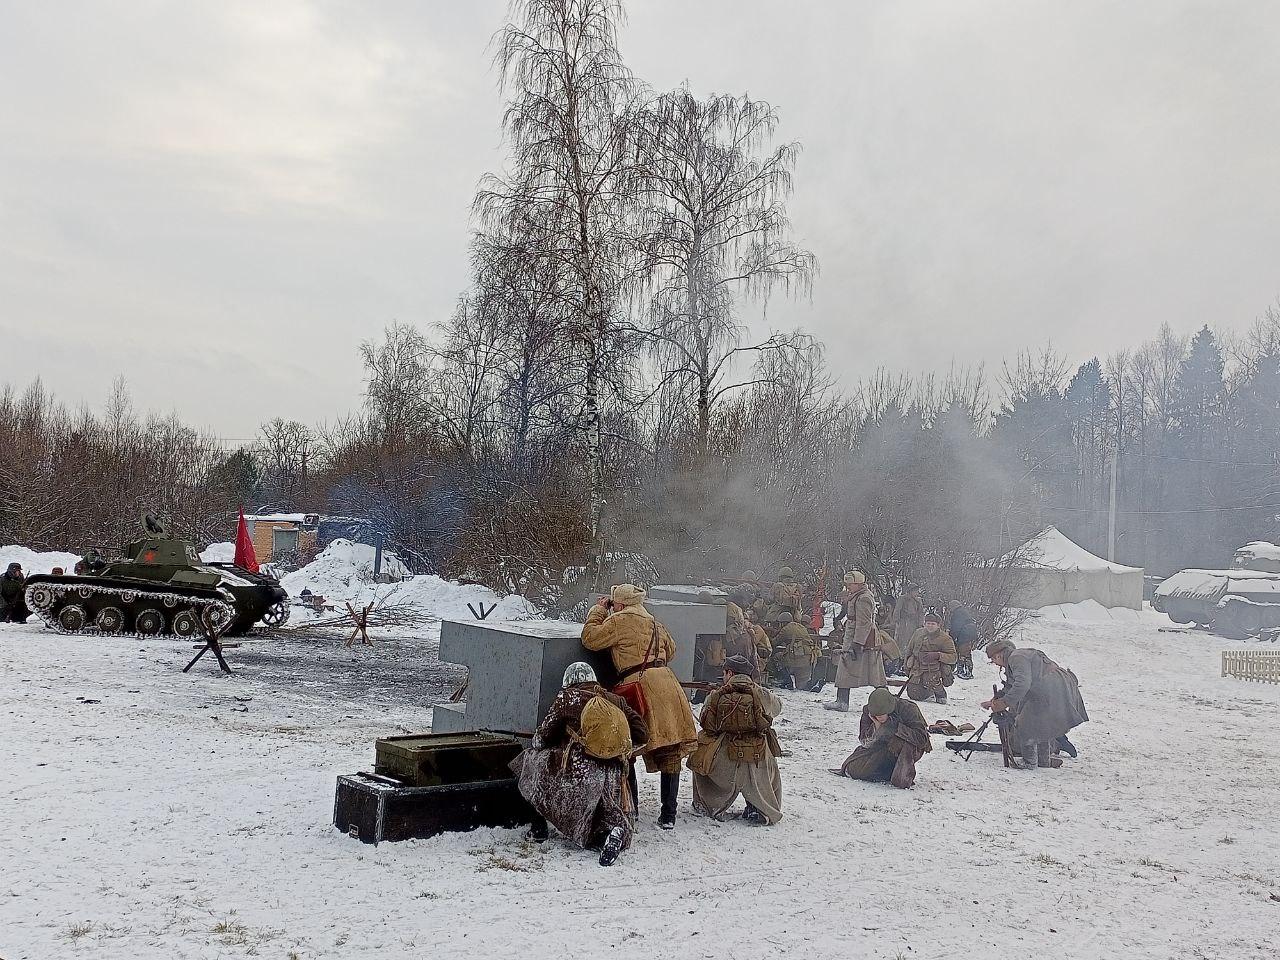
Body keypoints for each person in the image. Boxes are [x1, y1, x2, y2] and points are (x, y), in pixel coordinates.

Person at [582, 584, 698, 829]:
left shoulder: (620, 621)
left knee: (629, 745)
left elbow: (590, 638)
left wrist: (598, 611)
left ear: (620, 604)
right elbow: (672, 650)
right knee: (670, 750)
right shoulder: (655, 623)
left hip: (639, 686)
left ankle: (631, 808)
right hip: (668, 683)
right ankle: (668, 815)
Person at [511, 662, 648, 866]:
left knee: (529, 761)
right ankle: (611, 833)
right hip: (612, 772)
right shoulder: (614, 699)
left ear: (568, 681)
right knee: (601, 813)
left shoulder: (568, 698)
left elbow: (541, 739)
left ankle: (538, 829)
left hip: (579, 769)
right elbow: (642, 732)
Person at [689, 655, 784, 825]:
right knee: (772, 770)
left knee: (700, 758)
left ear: (730, 672)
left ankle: (707, 804)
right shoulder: (760, 694)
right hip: (757, 758)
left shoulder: (716, 695)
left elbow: (706, 720)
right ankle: (759, 808)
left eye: (724, 672)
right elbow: (777, 708)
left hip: (723, 759)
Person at [981, 639, 1089, 771]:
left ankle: (1030, 762)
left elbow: (1022, 685)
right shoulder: (1017, 659)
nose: (995, 663)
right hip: (1053, 687)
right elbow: (1012, 686)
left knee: (1025, 723)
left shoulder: (1016, 658)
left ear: (998, 655)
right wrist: (994, 701)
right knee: (1042, 725)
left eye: (993, 660)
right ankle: (1043, 761)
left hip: (1051, 687)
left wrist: (1003, 703)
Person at [832, 687, 932, 788]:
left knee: (903, 757)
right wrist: (877, 728)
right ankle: (888, 771)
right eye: (877, 714)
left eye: (882, 713)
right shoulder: (868, 711)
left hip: (907, 748)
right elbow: (864, 741)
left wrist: (894, 727)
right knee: (854, 770)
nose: (879, 716)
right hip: (882, 746)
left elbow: (922, 739)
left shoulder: (908, 708)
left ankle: (901, 776)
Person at [824, 571, 885, 711]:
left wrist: (857, 644)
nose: (848, 587)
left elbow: (864, 623)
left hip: (861, 638)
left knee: (874, 672)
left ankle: (886, 701)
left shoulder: (863, 598)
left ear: (858, 584)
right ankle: (842, 701)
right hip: (854, 636)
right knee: (847, 668)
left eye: (850, 584)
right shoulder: (856, 596)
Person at [902, 612, 958, 704]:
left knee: (933, 683)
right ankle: (928, 691)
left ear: (938, 625)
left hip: (934, 669)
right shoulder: (918, 633)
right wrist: (906, 667)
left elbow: (953, 657)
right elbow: (909, 650)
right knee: (914, 695)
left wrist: (938, 655)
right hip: (917, 667)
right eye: (928, 623)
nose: (930, 626)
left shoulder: (945, 638)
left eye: (933, 624)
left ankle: (939, 692)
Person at [770, 611, 820, 690]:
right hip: (808, 656)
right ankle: (813, 685)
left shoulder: (786, 629)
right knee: (801, 686)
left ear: (783, 622)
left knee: (777, 657)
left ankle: (787, 681)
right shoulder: (801, 627)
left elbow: (775, 642)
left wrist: (769, 636)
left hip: (796, 656)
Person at [946, 599, 980, 680]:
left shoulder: (957, 614)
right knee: (965, 652)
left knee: (963, 653)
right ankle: (964, 670)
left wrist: (951, 636)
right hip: (971, 633)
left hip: (965, 634)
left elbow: (956, 627)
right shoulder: (963, 612)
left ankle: (965, 672)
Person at [892, 583, 925, 652]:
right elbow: (897, 609)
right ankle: (901, 655)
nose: (916, 592)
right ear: (910, 591)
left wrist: (921, 623)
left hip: (914, 622)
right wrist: (896, 621)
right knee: (903, 640)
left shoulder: (918, 600)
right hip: (904, 622)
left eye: (917, 591)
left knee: (914, 639)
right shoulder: (903, 598)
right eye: (915, 591)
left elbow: (921, 613)